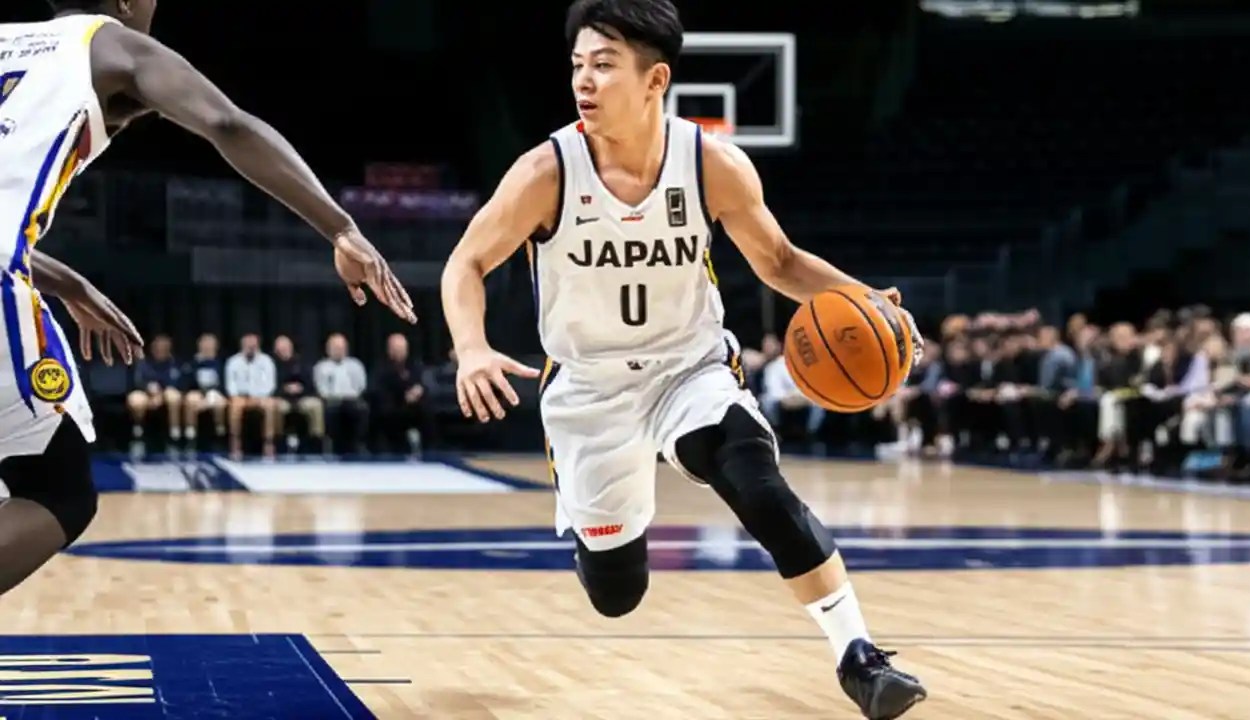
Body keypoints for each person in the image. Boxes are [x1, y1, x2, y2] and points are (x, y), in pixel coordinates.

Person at [439, 1, 925, 717]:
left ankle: (859, 657)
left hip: (687, 368)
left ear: (654, 79)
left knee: (755, 482)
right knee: (616, 594)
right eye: (578, 65)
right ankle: (595, 533)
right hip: (591, 391)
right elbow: (466, 263)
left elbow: (781, 262)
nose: (585, 80)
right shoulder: (547, 170)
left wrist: (864, 298)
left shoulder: (711, 163)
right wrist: (472, 348)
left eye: (604, 65)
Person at [0, 0, 416, 596]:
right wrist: (341, 227)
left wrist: (69, 282)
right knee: (55, 493)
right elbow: (228, 124)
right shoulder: (112, 46)